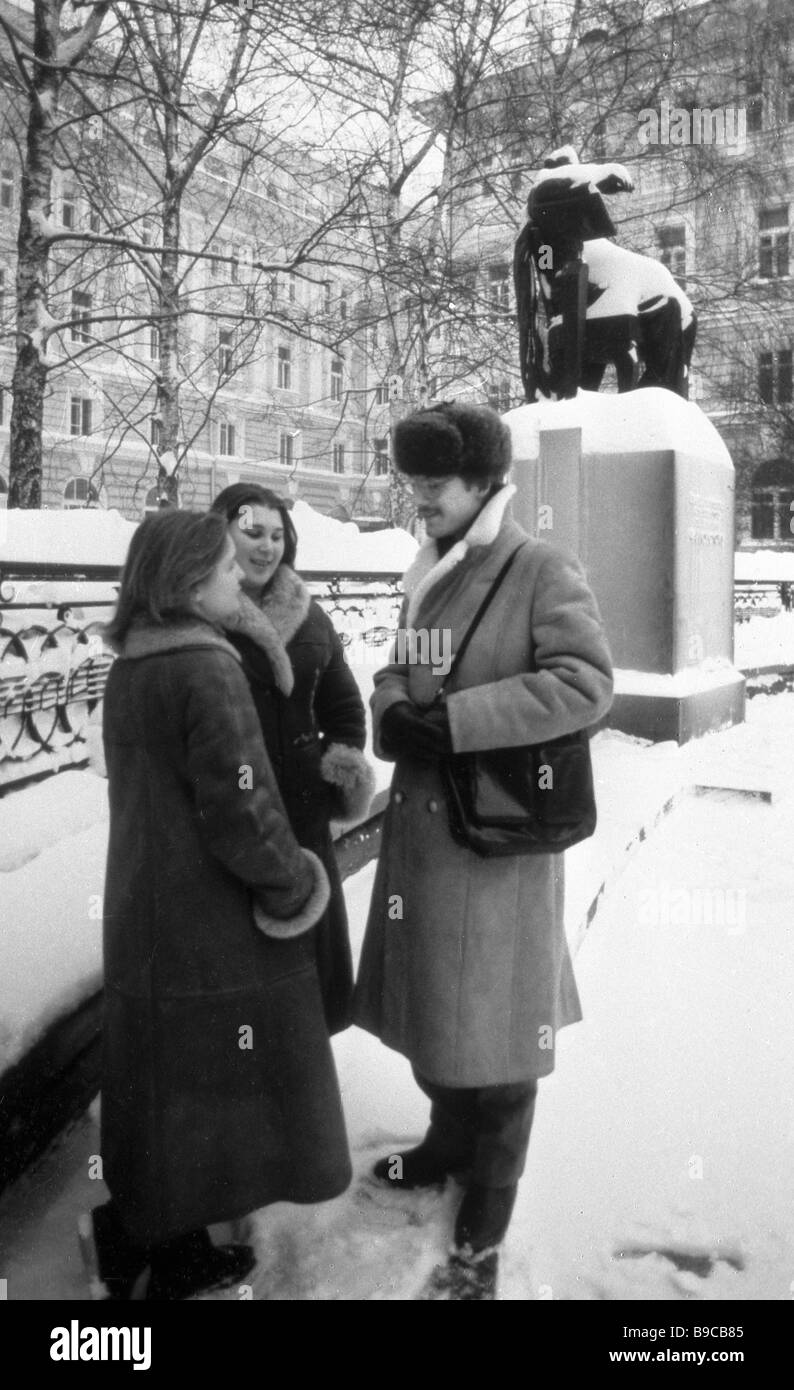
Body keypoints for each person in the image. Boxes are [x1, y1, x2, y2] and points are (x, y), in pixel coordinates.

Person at [353, 401, 614, 1300]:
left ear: (482, 483)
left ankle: (490, 1203)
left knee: (499, 1030)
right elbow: (405, 664)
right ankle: (444, 1143)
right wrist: (392, 703)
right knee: (435, 1006)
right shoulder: (431, 567)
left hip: (498, 840)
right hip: (429, 838)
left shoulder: (539, 567)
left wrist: (457, 722)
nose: (420, 499)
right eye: (416, 482)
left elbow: (585, 685)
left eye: (435, 484)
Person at [84, 510, 351, 1301]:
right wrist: (293, 882)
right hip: (210, 917)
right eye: (229, 570)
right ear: (191, 584)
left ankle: (137, 1235)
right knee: (209, 1087)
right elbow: (242, 809)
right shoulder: (208, 668)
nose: (243, 579)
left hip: (145, 904)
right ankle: (175, 1266)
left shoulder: (135, 662)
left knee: (161, 1080)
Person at [210, 484, 373, 1035]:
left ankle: (303, 1080)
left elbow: (344, 704)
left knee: (306, 971)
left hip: (302, 811)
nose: (266, 546)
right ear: (220, 535)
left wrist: (340, 764)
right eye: (252, 532)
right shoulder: (200, 613)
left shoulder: (309, 615)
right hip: (230, 814)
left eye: (277, 535)